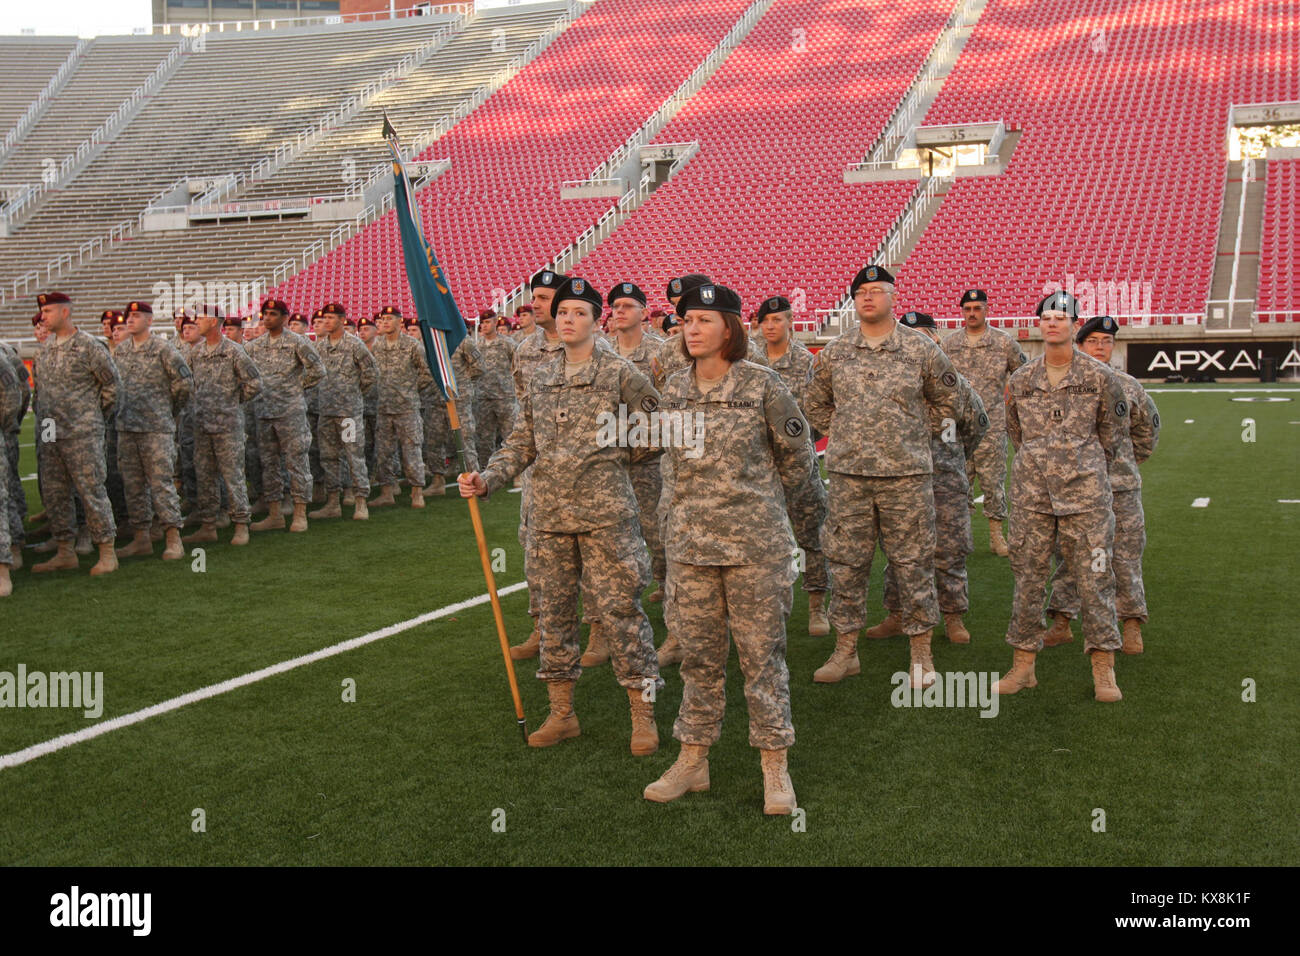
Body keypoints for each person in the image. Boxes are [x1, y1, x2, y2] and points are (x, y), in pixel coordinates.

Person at [459, 276, 663, 754]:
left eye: (580, 313)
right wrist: (489, 477)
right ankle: (562, 712)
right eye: (564, 312)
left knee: (621, 613)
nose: (568, 320)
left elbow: (658, 429)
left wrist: (611, 459)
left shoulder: (620, 373)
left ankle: (643, 713)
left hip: (606, 515)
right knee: (554, 615)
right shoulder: (541, 374)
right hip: (549, 517)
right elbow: (523, 439)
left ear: (598, 321)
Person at [643, 282, 826, 815]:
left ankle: (775, 767)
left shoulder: (764, 386)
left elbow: (799, 464)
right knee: (698, 659)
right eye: (685, 321)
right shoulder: (673, 388)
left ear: (729, 326)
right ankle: (693, 760)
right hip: (691, 550)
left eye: (702, 320)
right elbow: (667, 465)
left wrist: (810, 534)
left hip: (755, 549)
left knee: (762, 661)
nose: (691, 329)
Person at [804, 265, 962, 689]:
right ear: (853, 301)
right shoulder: (836, 352)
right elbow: (814, 402)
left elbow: (949, 400)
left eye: (877, 291)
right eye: (862, 293)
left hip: (905, 475)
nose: (869, 298)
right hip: (850, 476)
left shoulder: (920, 349)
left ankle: (921, 654)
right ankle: (845, 651)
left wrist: (911, 429)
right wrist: (845, 428)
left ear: (894, 296)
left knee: (912, 563)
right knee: (847, 563)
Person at [997, 292, 1130, 702]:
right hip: (1032, 495)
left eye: (1061, 317)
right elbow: (1015, 432)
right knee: (1029, 580)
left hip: (1086, 497)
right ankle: (1022, 668)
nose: (1053, 323)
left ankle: (1103, 669)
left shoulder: (1100, 377)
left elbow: (1112, 435)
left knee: (1094, 581)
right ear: (1039, 325)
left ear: (1075, 325)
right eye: (1047, 317)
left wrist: (1080, 464)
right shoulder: (1020, 379)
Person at [1043, 314, 1160, 654]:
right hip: (1074, 487)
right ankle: (1062, 622)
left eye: (1106, 342)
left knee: (1124, 556)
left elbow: (1147, 427)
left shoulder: (1128, 385)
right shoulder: (1064, 385)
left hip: (1118, 487)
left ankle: (1132, 624)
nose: (1100, 347)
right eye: (1093, 341)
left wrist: (1128, 461)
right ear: (1079, 345)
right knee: (1068, 555)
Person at [870, 312, 988, 643]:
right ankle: (896, 614)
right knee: (898, 552)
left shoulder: (956, 386)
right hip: (901, 482)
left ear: (935, 341)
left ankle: (953, 617)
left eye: (924, 337)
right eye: (911, 338)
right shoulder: (891, 389)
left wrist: (953, 459)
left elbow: (977, 425)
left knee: (950, 550)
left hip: (945, 481)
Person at [30, 292, 122, 576]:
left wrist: (93, 418)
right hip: (50, 434)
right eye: (42, 312)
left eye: (48, 311)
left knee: (91, 492)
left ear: (65, 313)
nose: (43, 316)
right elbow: (39, 393)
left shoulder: (89, 346)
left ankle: (107, 551)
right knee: (56, 494)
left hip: (82, 433)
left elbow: (112, 388)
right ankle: (64, 551)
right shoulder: (44, 350)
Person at [755, 293, 828, 638]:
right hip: (758, 468)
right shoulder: (750, 361)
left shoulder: (806, 362)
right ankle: (768, 606)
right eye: (765, 321)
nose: (771, 326)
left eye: (777, 320)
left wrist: (801, 441)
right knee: (762, 539)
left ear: (790, 323)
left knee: (811, 534)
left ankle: (817, 605)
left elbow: (819, 408)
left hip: (799, 465)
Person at [940, 289, 1027, 556]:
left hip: (991, 426)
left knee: (993, 483)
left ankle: (996, 537)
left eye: (977, 308)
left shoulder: (1003, 343)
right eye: (967, 309)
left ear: (986, 310)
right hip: (958, 428)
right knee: (957, 482)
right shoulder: (949, 344)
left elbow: (1023, 376)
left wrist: (1012, 405)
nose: (972, 314)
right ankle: (961, 537)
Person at [113, 300, 193, 561]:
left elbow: (183, 384)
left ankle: (173, 538)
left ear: (149, 320)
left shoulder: (163, 349)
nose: (130, 320)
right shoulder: (121, 351)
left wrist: (167, 410)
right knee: (133, 486)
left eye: (136, 316)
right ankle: (141, 538)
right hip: (127, 428)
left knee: (161, 484)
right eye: (128, 316)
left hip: (156, 428)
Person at [184, 304, 263, 546]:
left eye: (202, 317)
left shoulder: (234, 351)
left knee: (233, 476)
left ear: (215, 322)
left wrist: (233, 401)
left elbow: (254, 383)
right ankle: (210, 524)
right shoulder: (196, 353)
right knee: (205, 475)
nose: (197, 320)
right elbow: (188, 384)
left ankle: (241, 525)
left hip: (228, 425)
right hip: (202, 424)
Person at [246, 299, 324, 533]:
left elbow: (318, 370)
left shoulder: (297, 342)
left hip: (290, 413)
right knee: (269, 465)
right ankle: (275, 514)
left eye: (273, 314)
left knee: (296, 463)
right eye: (265, 314)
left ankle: (300, 514)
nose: (267, 318)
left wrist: (296, 388)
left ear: (284, 318)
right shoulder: (254, 346)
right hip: (264, 412)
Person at [309, 303, 379, 521]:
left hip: (348, 413)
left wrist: (354, 394)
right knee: (329, 456)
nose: (327, 322)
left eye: (331, 318)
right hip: (326, 412)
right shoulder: (320, 347)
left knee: (353, 455)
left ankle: (360, 501)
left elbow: (371, 374)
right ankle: (333, 502)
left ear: (342, 319)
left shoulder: (354, 345)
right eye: (325, 318)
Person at [369, 306, 433, 508]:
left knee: (411, 450)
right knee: (384, 451)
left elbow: (427, 373)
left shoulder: (412, 345)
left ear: (400, 322)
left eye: (389, 318)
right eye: (383, 319)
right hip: (384, 407)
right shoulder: (377, 345)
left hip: (406, 407)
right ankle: (387, 492)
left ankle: (417, 493)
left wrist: (410, 389)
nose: (385, 322)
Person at [473, 309, 518, 468]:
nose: (484, 326)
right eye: (482, 323)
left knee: (511, 436)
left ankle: (515, 470)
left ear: (495, 323)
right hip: (483, 397)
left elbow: (518, 368)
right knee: (484, 438)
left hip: (505, 397)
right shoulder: (477, 346)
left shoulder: (507, 344)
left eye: (487, 322)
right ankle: (487, 470)